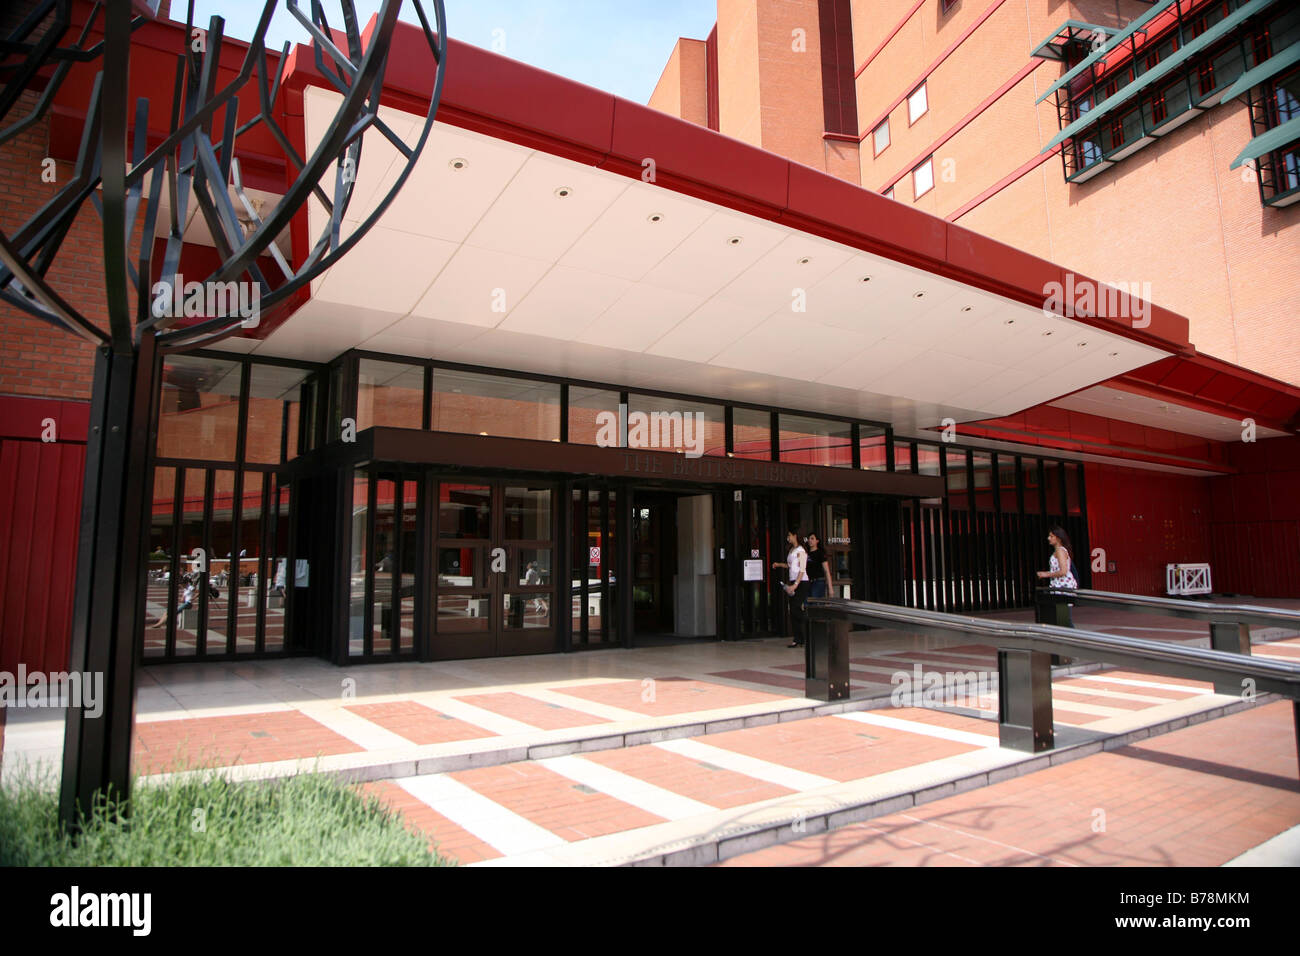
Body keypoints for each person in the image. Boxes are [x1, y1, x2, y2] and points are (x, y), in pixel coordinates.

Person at [771, 528, 809, 647]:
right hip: (794, 581)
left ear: (795, 536)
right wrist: (779, 565)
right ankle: (798, 638)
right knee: (793, 610)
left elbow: (802, 569)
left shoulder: (801, 550)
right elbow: (790, 565)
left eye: (789, 535)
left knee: (796, 609)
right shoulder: (791, 550)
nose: (788, 538)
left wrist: (795, 585)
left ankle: (805, 633)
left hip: (801, 582)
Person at [1036, 525, 1078, 625]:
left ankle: (1072, 637)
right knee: (1062, 617)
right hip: (1060, 587)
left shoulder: (1060, 551)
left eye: (1051, 536)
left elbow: (1063, 571)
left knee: (1063, 618)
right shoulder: (1060, 550)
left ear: (1058, 538)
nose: (1048, 538)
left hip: (1062, 587)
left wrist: (1046, 574)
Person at [805, 533, 833, 600]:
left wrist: (830, 587)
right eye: (809, 539)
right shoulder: (806, 553)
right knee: (807, 605)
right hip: (808, 582)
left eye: (812, 538)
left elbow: (826, 571)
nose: (810, 540)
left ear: (817, 541)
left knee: (816, 604)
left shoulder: (820, 553)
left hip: (818, 582)